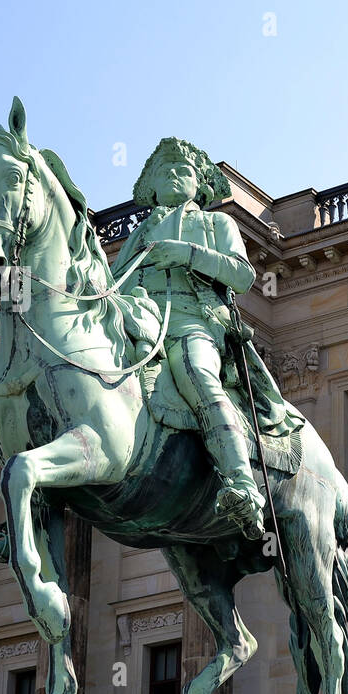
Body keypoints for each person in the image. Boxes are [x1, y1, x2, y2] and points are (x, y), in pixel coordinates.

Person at [110, 137, 302, 540]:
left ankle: (242, 485)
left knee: (197, 375)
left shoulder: (216, 224)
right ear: (152, 187)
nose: (176, 177)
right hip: (138, 323)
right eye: (166, 172)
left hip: (191, 322)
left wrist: (186, 254)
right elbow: (111, 287)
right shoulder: (138, 235)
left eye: (185, 172)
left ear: (199, 185)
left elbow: (242, 274)